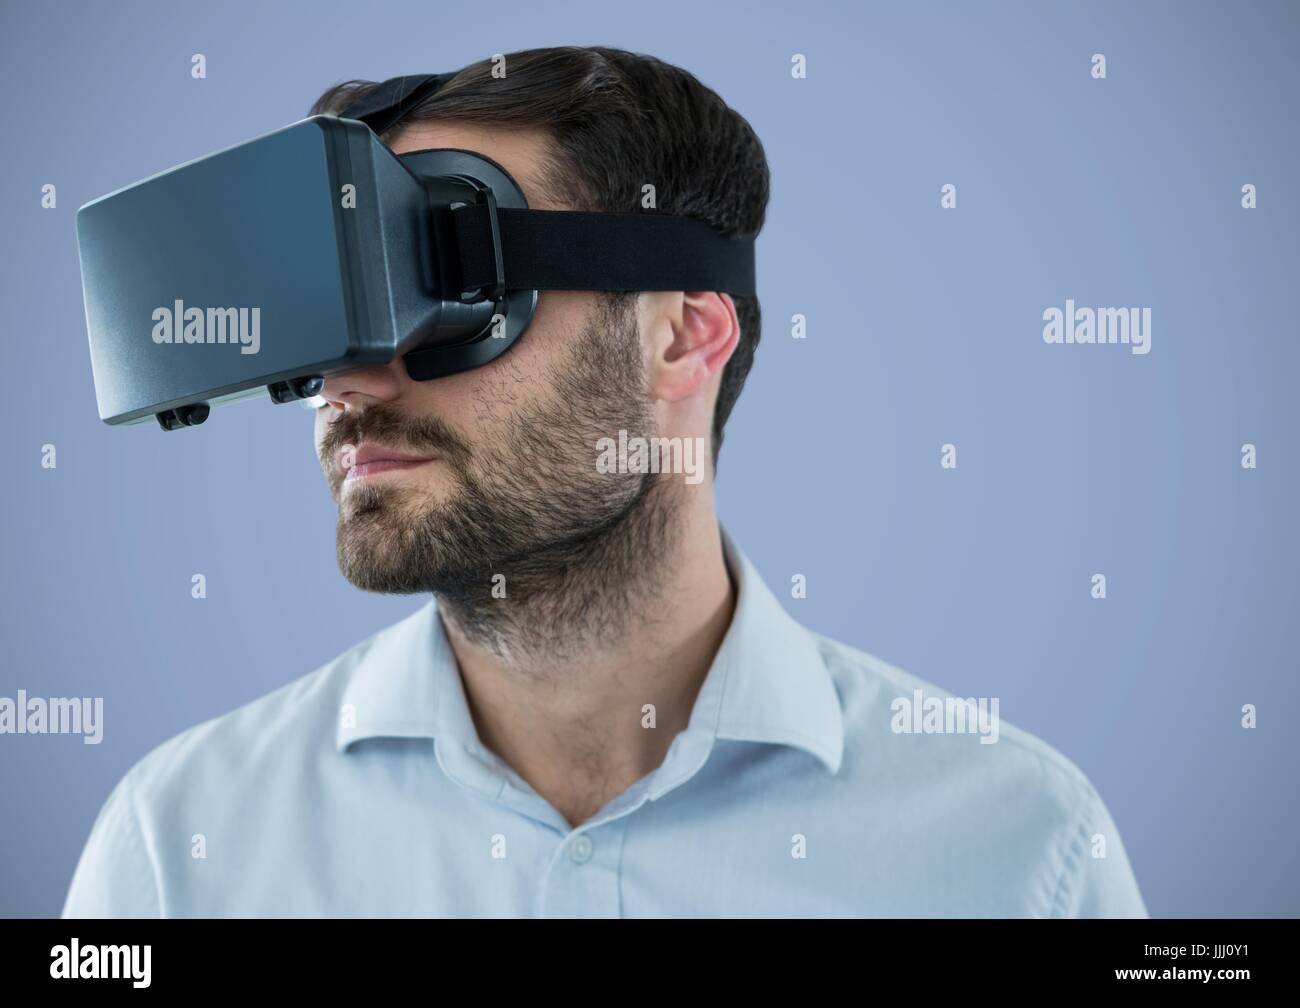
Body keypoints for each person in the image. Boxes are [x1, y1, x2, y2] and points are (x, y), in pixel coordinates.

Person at [63, 45, 1146, 918]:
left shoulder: (1015, 848)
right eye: (340, 307)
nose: (348, 381)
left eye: (443, 280)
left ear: (681, 336)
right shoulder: (181, 849)